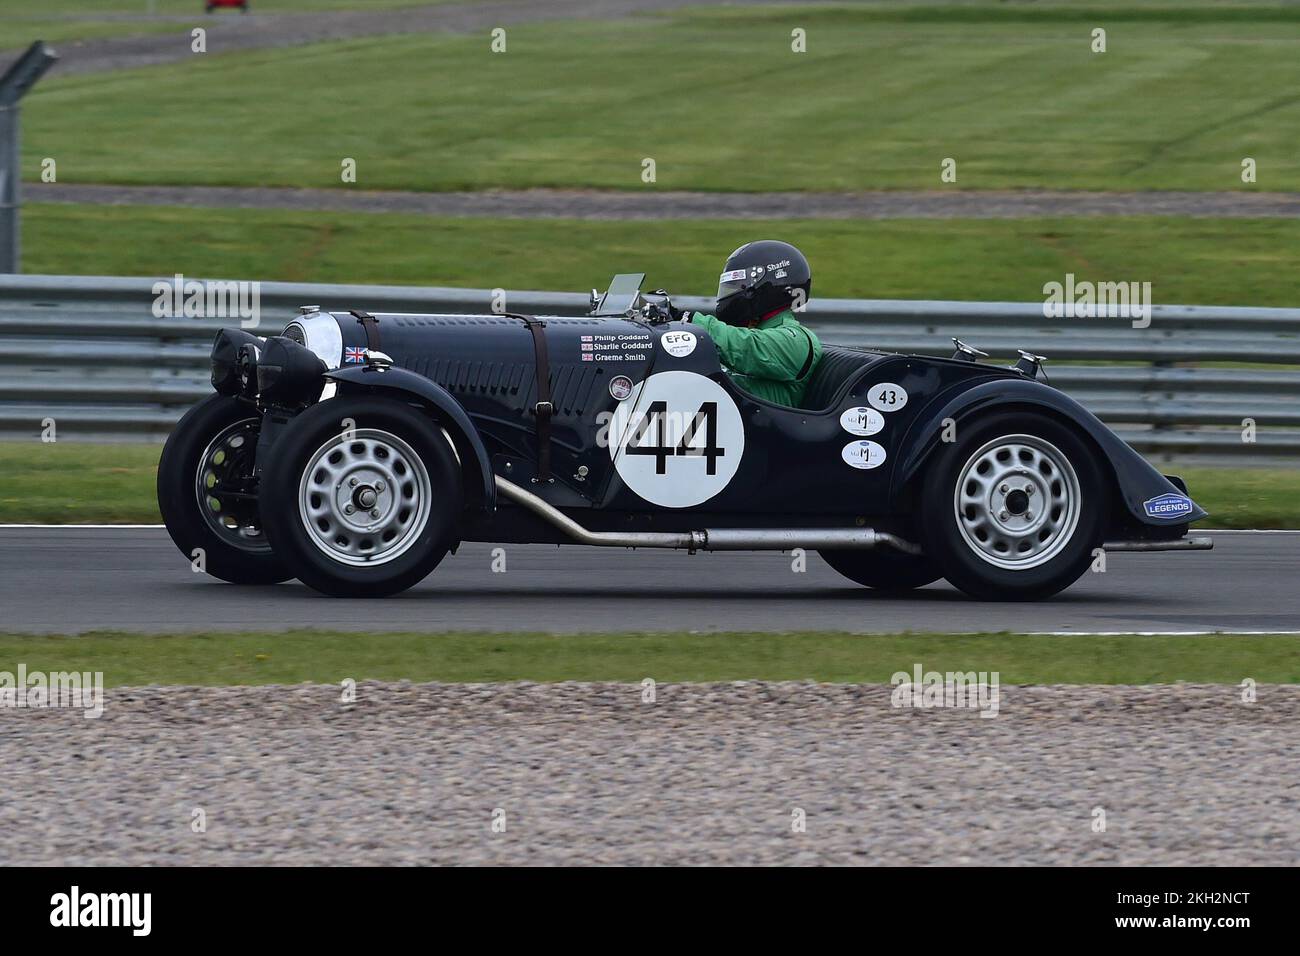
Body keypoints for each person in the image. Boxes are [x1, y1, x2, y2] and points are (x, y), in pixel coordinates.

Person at [674, 240, 822, 408]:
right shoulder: (749, 331)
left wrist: (688, 319)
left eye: (736, 287)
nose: (729, 295)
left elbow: (747, 347)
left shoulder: (797, 339)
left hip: (759, 429)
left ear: (760, 289)